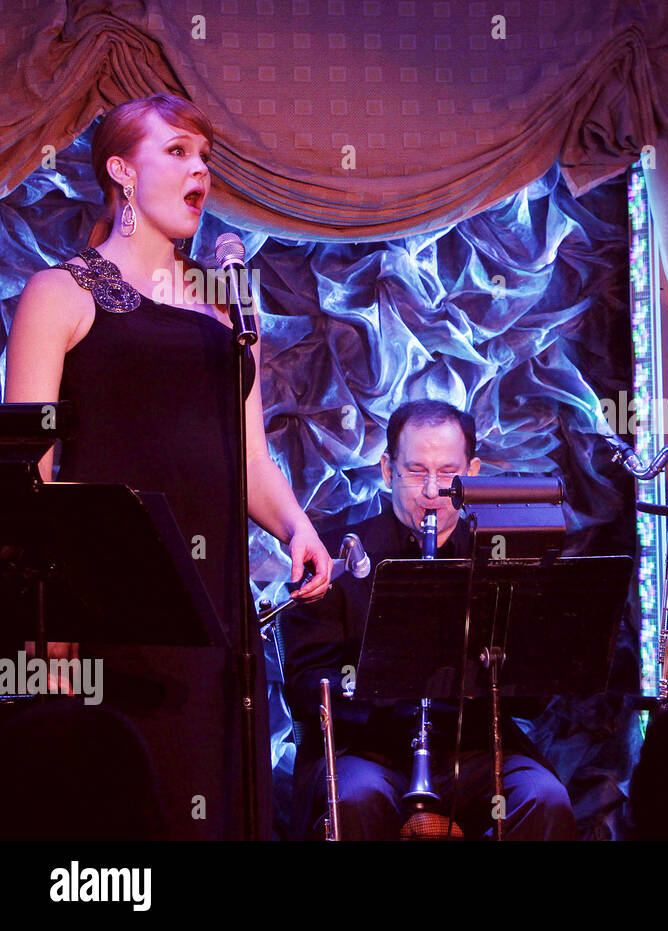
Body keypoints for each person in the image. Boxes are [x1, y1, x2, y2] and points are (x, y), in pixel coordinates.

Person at [4, 93, 332, 630]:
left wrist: (298, 528)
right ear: (122, 171)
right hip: (108, 592)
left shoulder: (225, 305)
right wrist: (48, 621)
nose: (200, 168)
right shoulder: (61, 292)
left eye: (205, 156)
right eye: (178, 151)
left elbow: (251, 460)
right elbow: (28, 474)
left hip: (220, 597)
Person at [279, 399, 578, 840]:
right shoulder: (333, 554)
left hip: (476, 749)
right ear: (387, 471)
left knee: (543, 798)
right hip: (370, 752)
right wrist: (383, 697)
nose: (433, 490)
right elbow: (308, 686)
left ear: (472, 471)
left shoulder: (500, 556)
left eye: (448, 471)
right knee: (355, 800)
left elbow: (533, 700)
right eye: (417, 471)